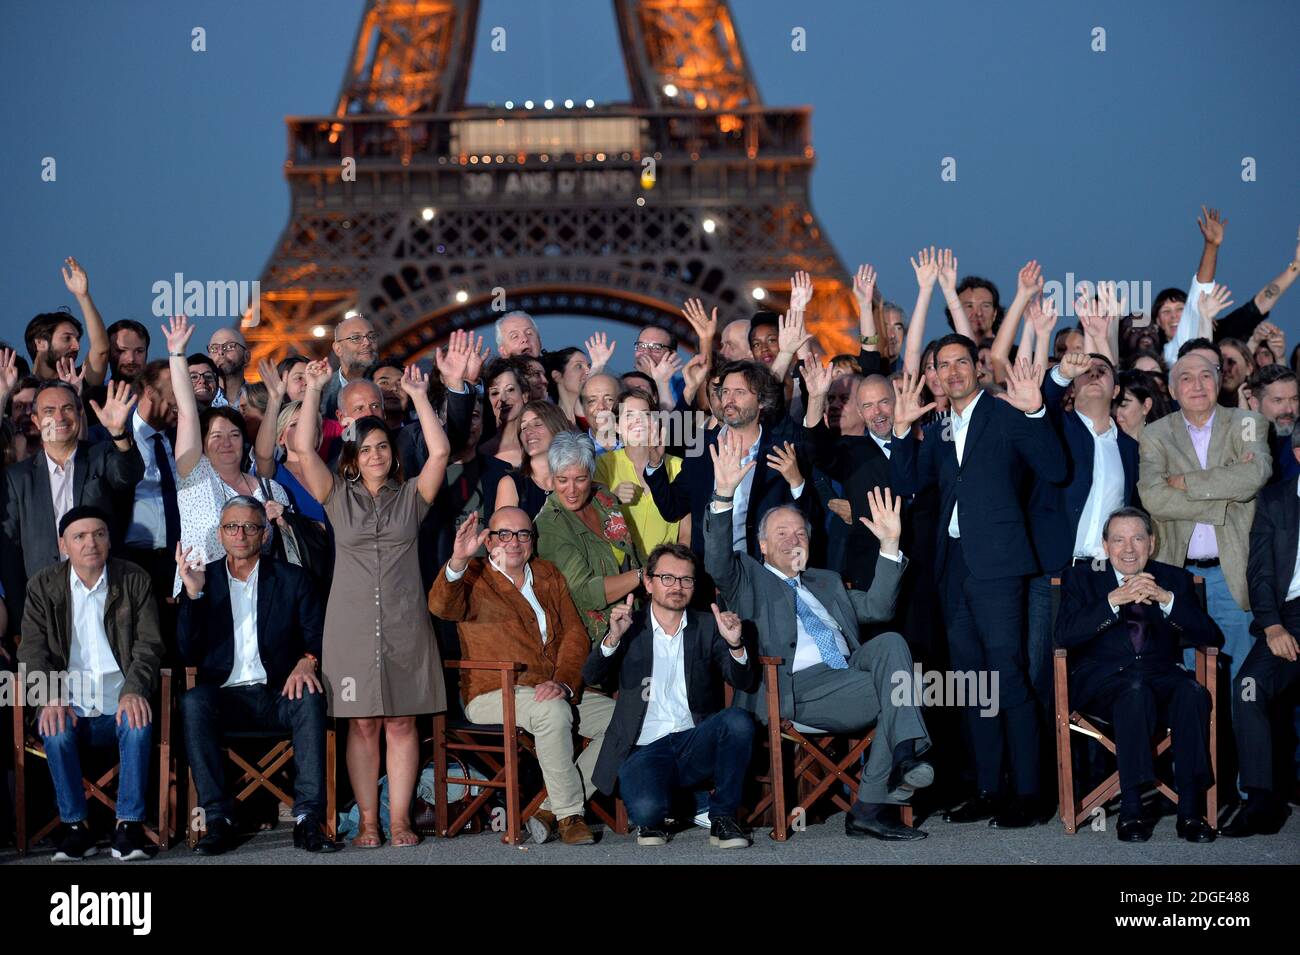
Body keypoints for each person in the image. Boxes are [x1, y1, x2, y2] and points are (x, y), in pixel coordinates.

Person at [705, 434, 932, 841]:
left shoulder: (825, 581)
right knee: (900, 693)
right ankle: (878, 794)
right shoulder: (748, 580)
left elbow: (879, 609)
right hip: (793, 689)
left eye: (800, 533)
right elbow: (718, 561)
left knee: (892, 644)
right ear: (761, 545)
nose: (794, 539)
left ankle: (897, 762)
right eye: (782, 534)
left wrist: (890, 544)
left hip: (848, 676)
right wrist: (723, 496)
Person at [890, 343, 1067, 827]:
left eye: (960, 362)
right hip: (954, 571)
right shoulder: (942, 428)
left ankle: (1031, 794)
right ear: (934, 375)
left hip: (1000, 568)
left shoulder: (1007, 413)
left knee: (1007, 678)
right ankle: (989, 789)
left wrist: (1035, 413)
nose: (952, 371)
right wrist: (903, 431)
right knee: (973, 686)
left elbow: (1056, 470)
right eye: (942, 365)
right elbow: (908, 484)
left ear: (977, 368)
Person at [295, 356, 450, 848]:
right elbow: (301, 448)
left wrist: (420, 396)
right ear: (353, 457)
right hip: (350, 626)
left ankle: (399, 819)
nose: (377, 454)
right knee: (361, 724)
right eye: (367, 448)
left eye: (383, 446)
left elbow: (441, 453)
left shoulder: (412, 499)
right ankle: (366, 821)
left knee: (403, 721)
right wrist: (315, 390)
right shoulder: (337, 496)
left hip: (405, 623)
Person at [429, 509, 612, 846]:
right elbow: (442, 606)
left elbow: (574, 634)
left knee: (623, 719)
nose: (514, 542)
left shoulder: (547, 573)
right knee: (552, 712)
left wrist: (564, 682)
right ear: (490, 540)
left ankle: (546, 808)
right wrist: (457, 561)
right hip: (492, 692)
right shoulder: (472, 575)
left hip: (553, 687)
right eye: (504, 534)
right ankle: (570, 815)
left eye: (523, 534)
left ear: (532, 539)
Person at [175, 497, 338, 854]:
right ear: (220, 534)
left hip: (280, 691)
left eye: (250, 526)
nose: (241, 534)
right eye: (232, 527)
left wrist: (308, 659)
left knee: (310, 696)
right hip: (226, 696)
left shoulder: (292, 578)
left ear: (264, 535)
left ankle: (308, 819)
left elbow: (317, 634)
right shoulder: (206, 578)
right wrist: (193, 594)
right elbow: (187, 650)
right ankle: (218, 819)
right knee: (193, 702)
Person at [1055, 507, 1220, 843]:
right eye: (1118, 540)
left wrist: (1166, 600)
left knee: (1192, 692)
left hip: (1162, 676)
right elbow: (1063, 637)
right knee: (1134, 690)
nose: (1128, 548)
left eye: (1137, 538)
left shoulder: (1175, 579)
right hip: (1104, 681)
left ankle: (1190, 811)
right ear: (1105, 545)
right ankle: (1132, 809)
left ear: (1152, 542)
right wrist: (1113, 601)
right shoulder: (1082, 578)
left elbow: (1212, 637)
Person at [583, 543, 757, 848]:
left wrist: (735, 645)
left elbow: (744, 680)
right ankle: (691, 804)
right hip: (643, 749)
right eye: (667, 578)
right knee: (649, 817)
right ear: (648, 583)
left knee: (739, 721)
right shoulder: (629, 626)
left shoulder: (707, 626)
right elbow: (592, 677)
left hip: (693, 743)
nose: (677, 587)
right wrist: (612, 639)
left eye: (685, 580)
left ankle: (723, 817)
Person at [18, 506, 164, 862]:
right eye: (79, 536)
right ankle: (75, 827)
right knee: (55, 727)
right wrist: (48, 696)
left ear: (110, 540)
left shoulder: (134, 579)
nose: (91, 543)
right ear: (63, 545)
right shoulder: (43, 586)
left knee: (137, 720)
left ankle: (128, 826)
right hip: (68, 703)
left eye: (99, 534)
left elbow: (149, 646)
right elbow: (32, 652)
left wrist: (134, 690)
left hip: (120, 699)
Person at [1137, 352, 1271, 679]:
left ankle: (1238, 733)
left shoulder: (1247, 423)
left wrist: (1186, 483)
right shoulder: (1155, 434)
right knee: (1187, 676)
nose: (1197, 385)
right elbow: (1155, 498)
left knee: (1243, 677)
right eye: (1186, 378)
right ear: (1171, 389)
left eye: (1206, 376)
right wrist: (1224, 495)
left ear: (1219, 380)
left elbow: (1254, 476)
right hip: (1179, 576)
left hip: (1233, 573)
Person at [1027, 351, 1140, 721]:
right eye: (1085, 372)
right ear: (1073, 388)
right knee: (1040, 674)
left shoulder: (1131, 450)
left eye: (1102, 371)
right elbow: (1037, 400)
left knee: (1098, 675)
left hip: (1104, 579)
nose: (1093, 376)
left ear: (1117, 388)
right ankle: (1038, 774)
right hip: (1053, 576)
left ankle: (1092, 772)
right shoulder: (1055, 427)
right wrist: (1060, 373)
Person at [164, 316, 291, 597]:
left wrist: (283, 522)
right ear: (202, 443)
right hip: (203, 594)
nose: (225, 442)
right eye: (215, 436)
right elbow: (186, 411)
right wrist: (176, 354)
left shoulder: (271, 490)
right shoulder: (193, 475)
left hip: (260, 598)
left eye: (234, 435)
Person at [1, 380, 143, 627]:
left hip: (105, 596)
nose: (59, 417)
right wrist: (22, 618)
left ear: (79, 414)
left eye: (67, 408)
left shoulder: (102, 454)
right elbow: (11, 553)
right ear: (35, 420)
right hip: (45, 606)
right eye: (49, 411)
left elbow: (128, 475)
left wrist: (119, 433)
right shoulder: (17, 478)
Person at [644, 359, 813, 564]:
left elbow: (807, 521)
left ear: (761, 401)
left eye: (740, 392)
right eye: (725, 392)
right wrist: (655, 466)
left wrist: (797, 483)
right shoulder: (701, 446)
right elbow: (673, 509)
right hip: (708, 574)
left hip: (763, 572)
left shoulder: (783, 451)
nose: (729, 400)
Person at [1226, 440, 1300, 836]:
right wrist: (1272, 626)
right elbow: (1261, 572)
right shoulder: (1274, 500)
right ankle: (1260, 802)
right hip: (1289, 617)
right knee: (1249, 686)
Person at [536, 431, 643, 644]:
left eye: (580, 479)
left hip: (635, 619)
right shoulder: (549, 525)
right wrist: (643, 576)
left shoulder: (602, 497)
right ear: (552, 477)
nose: (572, 490)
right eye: (562, 480)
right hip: (596, 637)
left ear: (591, 474)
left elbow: (633, 555)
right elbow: (585, 593)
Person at [595, 388, 689, 557]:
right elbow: (592, 520)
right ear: (616, 426)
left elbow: (685, 536)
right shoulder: (603, 464)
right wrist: (612, 498)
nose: (638, 421)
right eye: (629, 415)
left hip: (664, 574)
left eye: (646, 414)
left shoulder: (678, 466)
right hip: (621, 573)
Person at [495, 400, 573, 516]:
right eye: (524, 427)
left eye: (537, 424)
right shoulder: (512, 484)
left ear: (557, 429)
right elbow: (504, 532)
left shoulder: (576, 481)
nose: (529, 432)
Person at [1244, 364, 1300, 484]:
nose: (1289, 410)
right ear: (1255, 403)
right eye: (1278, 401)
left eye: (1294, 399)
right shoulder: (1242, 438)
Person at [320, 314, 378, 420]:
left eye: (371, 336)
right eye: (356, 338)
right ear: (338, 349)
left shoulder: (390, 379)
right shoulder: (321, 392)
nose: (367, 342)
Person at [543, 347, 589, 424]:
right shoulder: (546, 421)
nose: (588, 372)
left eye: (589, 367)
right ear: (557, 376)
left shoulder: (598, 417)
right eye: (579, 366)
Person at [207, 326, 249, 408]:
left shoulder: (263, 400)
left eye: (230, 346)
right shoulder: (198, 404)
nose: (220, 352)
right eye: (214, 348)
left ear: (246, 356)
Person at [105, 319, 150, 384]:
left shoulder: (159, 393)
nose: (131, 359)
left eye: (139, 351)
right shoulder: (93, 392)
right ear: (108, 353)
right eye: (122, 351)